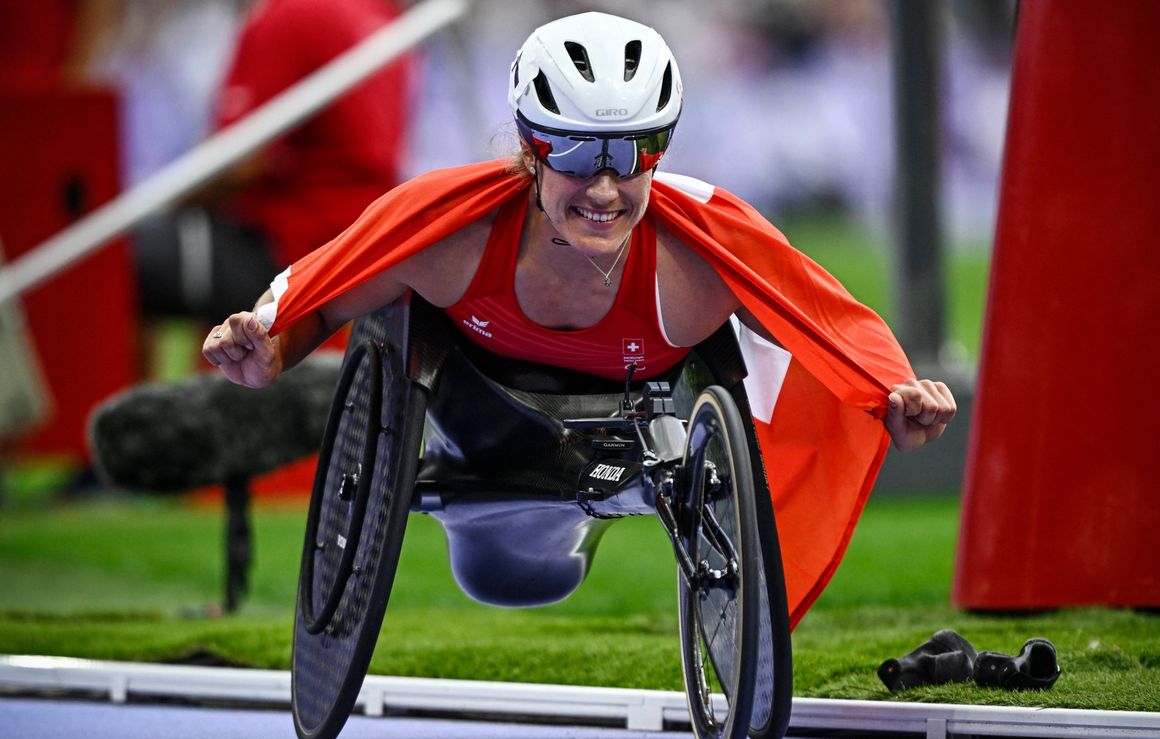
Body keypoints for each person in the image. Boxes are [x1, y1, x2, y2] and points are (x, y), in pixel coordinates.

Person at [203, 12, 955, 621]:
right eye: (575, 150)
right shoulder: (451, 236)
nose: (604, 185)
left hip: (634, 428)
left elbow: (820, 312)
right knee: (501, 570)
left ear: (659, 150)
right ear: (532, 147)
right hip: (481, 423)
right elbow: (324, 290)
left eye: (630, 154)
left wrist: (892, 390)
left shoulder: (701, 253)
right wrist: (268, 346)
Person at [136, 0, 411, 324]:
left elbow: (237, 165)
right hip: (359, 242)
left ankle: (109, 375)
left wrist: (160, 205)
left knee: (114, 259)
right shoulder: (376, 11)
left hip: (289, 249)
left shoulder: (293, 12)